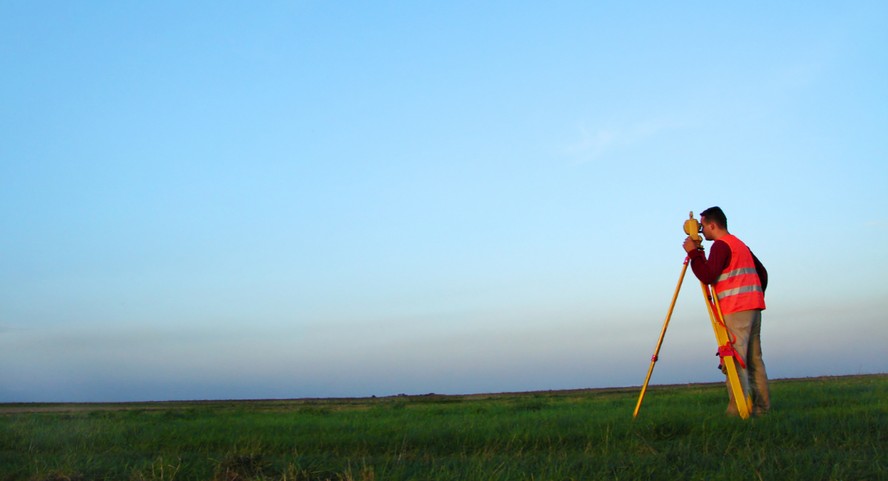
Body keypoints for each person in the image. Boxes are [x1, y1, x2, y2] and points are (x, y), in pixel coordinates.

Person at [682, 206, 770, 416]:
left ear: (713, 225)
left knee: (736, 361)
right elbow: (762, 273)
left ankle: (737, 411)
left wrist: (693, 253)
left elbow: (708, 275)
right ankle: (762, 410)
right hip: (754, 307)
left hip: (735, 309)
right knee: (754, 360)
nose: (702, 231)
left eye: (703, 226)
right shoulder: (739, 244)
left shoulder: (721, 246)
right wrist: (756, 295)